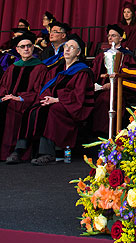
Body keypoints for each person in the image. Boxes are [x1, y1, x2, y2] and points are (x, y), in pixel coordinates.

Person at [7, 34, 95, 165]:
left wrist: (57, 99)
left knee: (51, 110)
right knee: (33, 110)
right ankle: (20, 150)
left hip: (70, 107)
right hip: (54, 102)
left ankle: (47, 153)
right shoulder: (57, 69)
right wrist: (47, 98)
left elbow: (79, 96)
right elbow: (45, 87)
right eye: (66, 46)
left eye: (72, 47)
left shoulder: (82, 71)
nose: (67, 49)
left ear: (78, 52)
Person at [0, 32, 47, 160]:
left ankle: (17, 151)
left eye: (29, 46)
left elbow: (39, 91)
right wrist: (4, 96)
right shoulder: (12, 68)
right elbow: (3, 86)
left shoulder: (40, 68)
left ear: (33, 48)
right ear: (17, 50)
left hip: (25, 102)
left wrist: (20, 98)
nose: (26, 49)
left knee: (11, 106)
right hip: (9, 99)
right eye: (22, 46)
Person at [90, 25, 136, 134]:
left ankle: (108, 132)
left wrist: (113, 85)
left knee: (106, 99)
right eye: (109, 36)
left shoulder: (127, 55)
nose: (110, 38)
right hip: (102, 88)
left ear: (121, 38)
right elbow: (95, 72)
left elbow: (129, 76)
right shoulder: (103, 54)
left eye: (113, 35)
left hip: (120, 89)